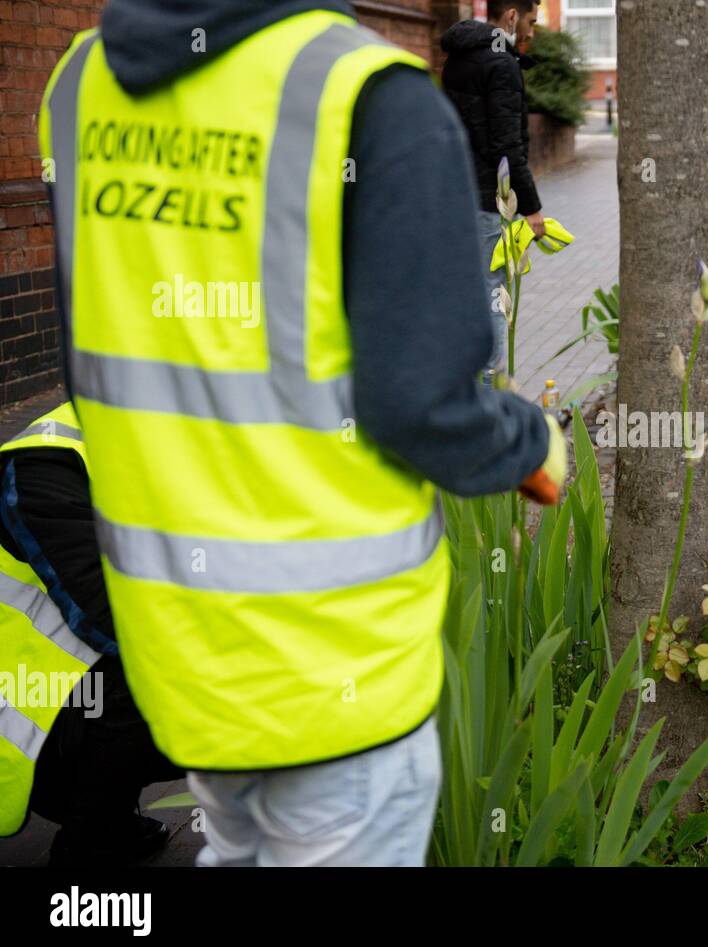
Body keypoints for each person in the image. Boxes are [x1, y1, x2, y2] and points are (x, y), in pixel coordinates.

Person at [40, 0, 565, 866]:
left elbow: (92, 359)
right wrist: (535, 447)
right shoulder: (370, 98)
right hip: (333, 679)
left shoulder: (79, 84)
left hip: (183, 663)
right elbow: (425, 408)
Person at [0, 402, 182, 865]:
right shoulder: (46, 463)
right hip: (23, 708)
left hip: (70, 692)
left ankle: (108, 815)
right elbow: (106, 619)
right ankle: (88, 847)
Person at [441, 0, 546, 379]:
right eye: (531, 22)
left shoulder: (458, 57)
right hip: (488, 196)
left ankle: (463, 384)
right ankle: (490, 390)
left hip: (453, 192)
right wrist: (531, 208)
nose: (531, 33)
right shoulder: (501, 63)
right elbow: (507, 146)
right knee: (493, 294)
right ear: (512, 16)